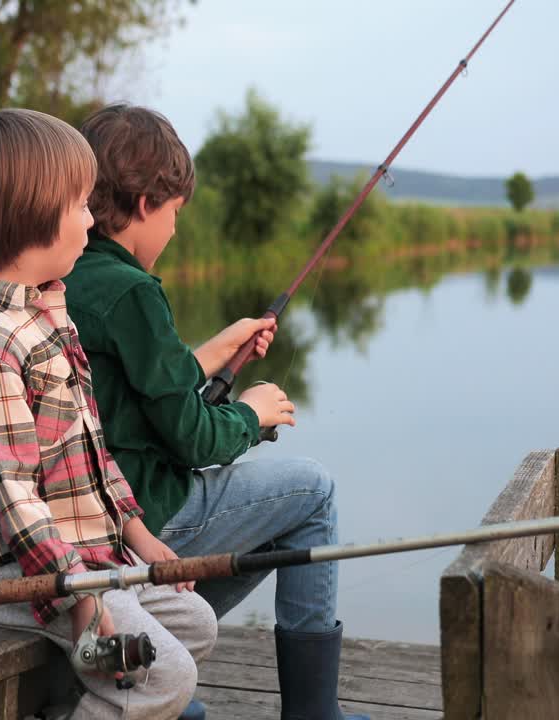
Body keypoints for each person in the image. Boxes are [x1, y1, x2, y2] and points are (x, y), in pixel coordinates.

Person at [62, 103, 369, 720]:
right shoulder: (134, 291)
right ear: (148, 203)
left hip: (85, 515)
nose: (176, 230)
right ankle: (311, 712)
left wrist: (216, 351)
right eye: (175, 213)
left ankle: (148, 659)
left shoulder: (66, 271)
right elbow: (193, 440)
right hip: (142, 512)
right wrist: (254, 416)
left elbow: (141, 392)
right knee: (313, 492)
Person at [0, 108, 215, 720]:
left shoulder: (48, 313)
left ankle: (75, 698)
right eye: (81, 205)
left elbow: (94, 451)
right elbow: (16, 500)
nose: (92, 220)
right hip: (15, 574)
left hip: (87, 557)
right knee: (168, 680)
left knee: (196, 622)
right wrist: (86, 603)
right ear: (35, 216)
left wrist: (143, 542)